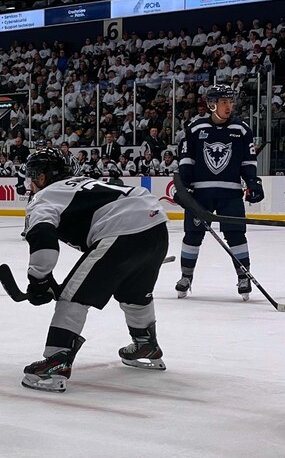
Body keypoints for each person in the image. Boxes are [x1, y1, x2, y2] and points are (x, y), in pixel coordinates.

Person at [16, 148, 170, 393]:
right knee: (134, 293)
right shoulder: (88, 183)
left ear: (42, 177)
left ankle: (57, 361)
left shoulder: (44, 196)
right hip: (156, 227)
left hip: (120, 230)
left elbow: (43, 239)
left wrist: (38, 281)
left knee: (73, 297)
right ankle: (146, 345)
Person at [174, 84, 264, 300]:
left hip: (230, 192)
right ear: (212, 104)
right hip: (200, 194)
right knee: (193, 235)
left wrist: (252, 182)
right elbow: (187, 160)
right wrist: (184, 187)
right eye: (224, 102)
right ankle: (186, 276)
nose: (229, 106)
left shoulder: (242, 129)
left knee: (236, 234)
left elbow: (248, 161)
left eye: (231, 102)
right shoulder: (195, 128)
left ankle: (243, 277)